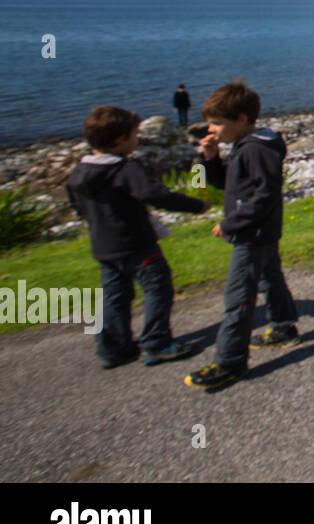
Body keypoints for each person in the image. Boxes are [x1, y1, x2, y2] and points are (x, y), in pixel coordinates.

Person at [65, 106, 207, 369]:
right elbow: (155, 195)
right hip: (137, 243)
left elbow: (78, 206)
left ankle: (112, 347)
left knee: (114, 296)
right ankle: (156, 342)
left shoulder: (78, 172)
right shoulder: (125, 169)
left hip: (104, 246)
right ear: (119, 139)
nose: (136, 141)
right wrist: (195, 205)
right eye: (134, 136)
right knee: (158, 288)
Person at [184, 80, 299, 391]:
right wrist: (209, 159)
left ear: (243, 120)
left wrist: (232, 223)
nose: (212, 129)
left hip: (252, 232)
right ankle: (283, 327)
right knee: (270, 277)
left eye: (218, 123)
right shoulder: (245, 145)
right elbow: (229, 185)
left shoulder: (258, 149)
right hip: (260, 230)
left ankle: (230, 361)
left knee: (238, 297)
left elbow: (264, 196)